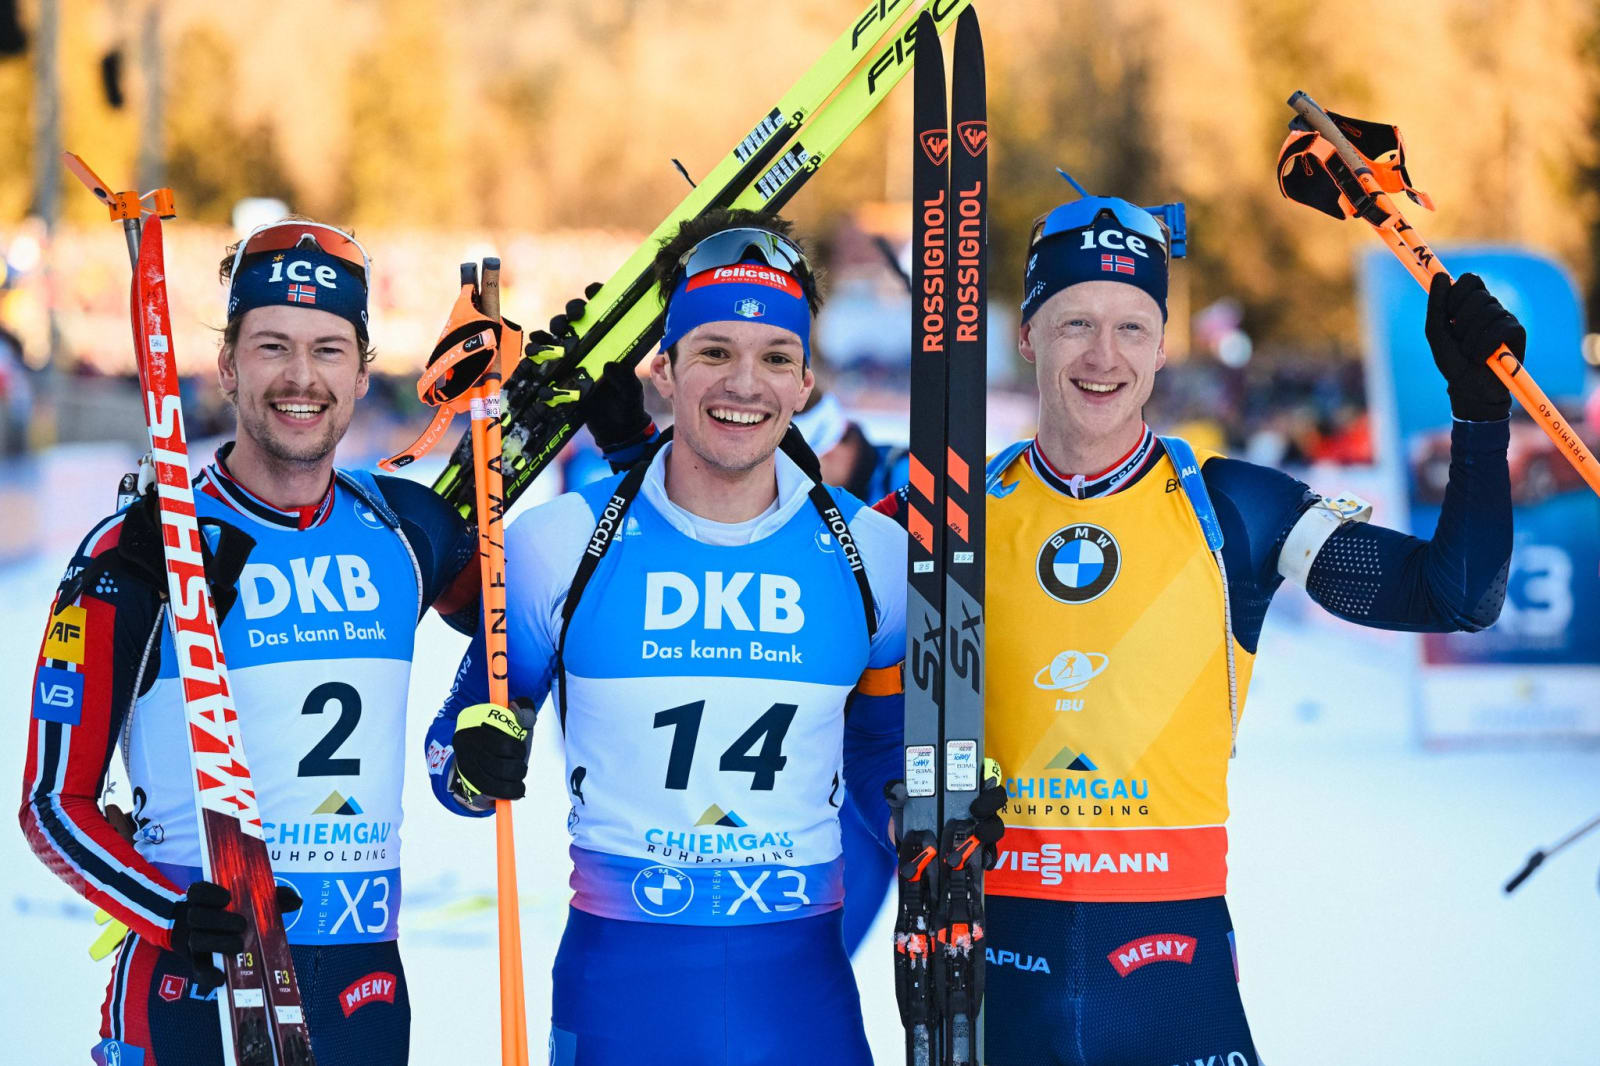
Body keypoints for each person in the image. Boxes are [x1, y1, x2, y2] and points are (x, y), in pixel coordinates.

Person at [880, 186, 1516, 1064]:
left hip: (1173, 975)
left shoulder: (1234, 509)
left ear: (1163, 344)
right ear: (1027, 335)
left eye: (1131, 327)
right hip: (995, 968)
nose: (1103, 355)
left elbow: (1456, 597)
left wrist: (1480, 415)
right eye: (1074, 324)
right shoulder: (949, 514)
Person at [427, 210, 914, 1066]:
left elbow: (878, 753)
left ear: (807, 382)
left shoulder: (872, 555)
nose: (745, 385)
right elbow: (454, 765)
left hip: (799, 1008)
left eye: (776, 358)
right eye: (715, 352)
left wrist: (926, 819)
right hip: (622, 999)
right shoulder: (557, 546)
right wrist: (475, 761)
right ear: (666, 367)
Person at [19, 219, 479, 1065]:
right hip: (193, 994)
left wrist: (469, 726)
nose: (301, 377)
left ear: (363, 370)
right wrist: (168, 914)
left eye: (328, 349)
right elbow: (53, 805)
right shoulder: (139, 552)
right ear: (228, 365)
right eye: (272, 347)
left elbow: (521, 627)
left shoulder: (408, 529)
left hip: (365, 994)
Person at [790, 388, 908, 956]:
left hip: (915, 719)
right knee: (829, 941)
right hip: (853, 737)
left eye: (808, 463)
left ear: (836, 443)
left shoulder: (906, 478)